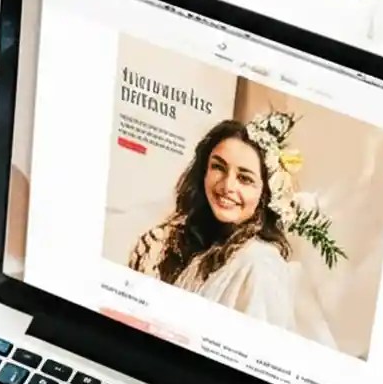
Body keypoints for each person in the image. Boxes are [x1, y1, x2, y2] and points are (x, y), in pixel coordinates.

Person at [127, 117, 301, 331]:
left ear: (265, 194)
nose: (227, 185)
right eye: (218, 167)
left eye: (245, 179)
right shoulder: (202, 246)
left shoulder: (260, 266)